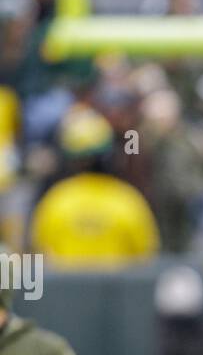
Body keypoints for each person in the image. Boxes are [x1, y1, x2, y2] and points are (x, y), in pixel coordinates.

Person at [30, 106, 160, 267]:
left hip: (66, 291)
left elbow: (40, 252)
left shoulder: (55, 200)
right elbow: (146, 256)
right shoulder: (127, 200)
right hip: (117, 291)